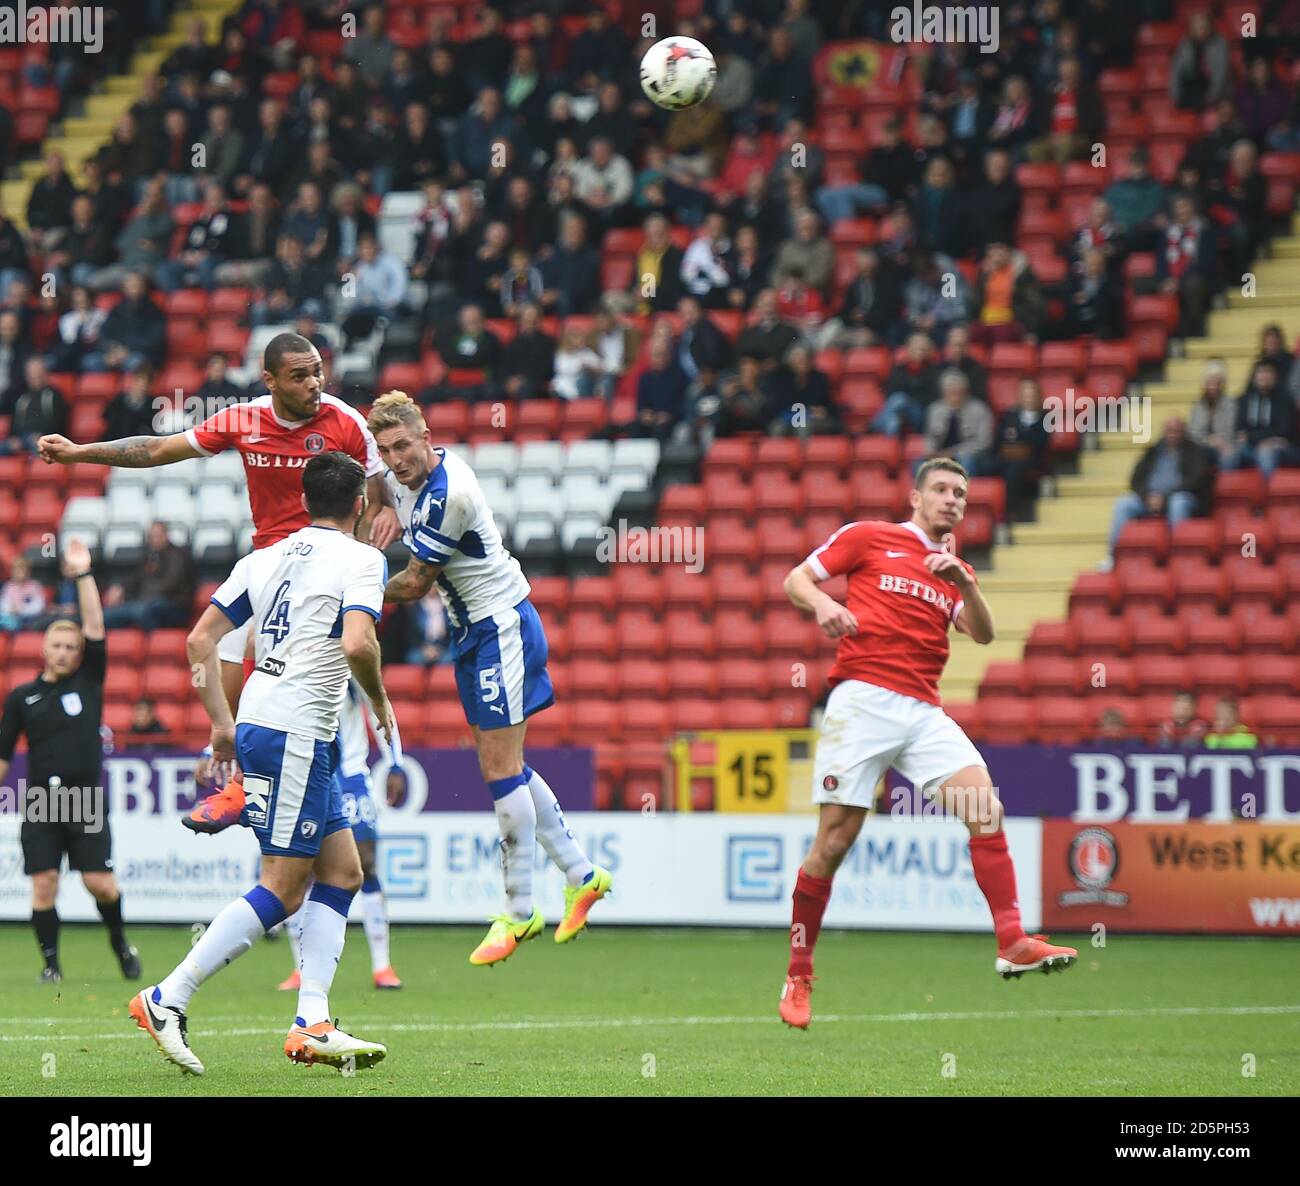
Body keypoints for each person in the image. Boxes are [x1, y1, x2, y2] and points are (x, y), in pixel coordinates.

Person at [778, 459, 1077, 1028]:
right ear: (915, 497)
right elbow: (797, 579)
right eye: (940, 490)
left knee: (984, 807)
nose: (951, 500)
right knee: (834, 843)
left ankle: (1011, 941)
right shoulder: (871, 537)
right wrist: (825, 605)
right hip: (863, 700)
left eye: (960, 494)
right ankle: (798, 974)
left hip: (922, 710)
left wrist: (966, 582)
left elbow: (984, 634)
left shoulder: (953, 567)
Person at [130, 452, 394, 1076]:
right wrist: (380, 700)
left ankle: (312, 1020)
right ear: (360, 503)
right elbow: (359, 642)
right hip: (297, 728)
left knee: (344, 870)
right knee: (283, 883)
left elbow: (200, 640)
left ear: (304, 501)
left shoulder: (265, 557)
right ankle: (167, 997)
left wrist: (222, 723)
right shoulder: (363, 559)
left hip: (271, 720)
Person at [38, 333, 400, 753]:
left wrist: (372, 527)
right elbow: (156, 449)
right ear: (270, 380)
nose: (314, 383)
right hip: (268, 557)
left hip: (324, 559)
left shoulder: (344, 421)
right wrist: (80, 452)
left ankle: (259, 751)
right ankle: (227, 749)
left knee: (256, 644)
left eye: (318, 372)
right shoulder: (243, 420)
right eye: (299, 376)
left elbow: (374, 489)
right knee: (213, 642)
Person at [366, 391, 612, 965]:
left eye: (404, 445)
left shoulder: (449, 494)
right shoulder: (399, 474)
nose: (396, 458)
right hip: (477, 633)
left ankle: (519, 909)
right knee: (510, 768)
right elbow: (378, 481)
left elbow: (414, 582)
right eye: (386, 450)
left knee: (498, 770)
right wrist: (375, 495)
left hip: (498, 627)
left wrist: (352, 583)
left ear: (427, 436)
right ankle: (582, 874)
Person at [0, 539, 141, 984]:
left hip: (85, 800)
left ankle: (120, 944)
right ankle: (51, 966)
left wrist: (82, 575)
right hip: (42, 801)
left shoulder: (89, 682)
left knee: (99, 883)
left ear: (78, 652)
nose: (63, 651)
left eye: (70, 646)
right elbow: (4, 754)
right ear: (44, 648)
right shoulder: (22, 696)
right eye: (56, 644)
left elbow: (95, 624)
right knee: (44, 883)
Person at [277, 679, 403, 993]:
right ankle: (300, 968)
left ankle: (382, 965)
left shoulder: (350, 657)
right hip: (305, 772)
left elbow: (379, 705)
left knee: (366, 863)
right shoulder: (296, 658)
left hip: (350, 774)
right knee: (299, 869)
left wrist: (395, 763)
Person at [1105, 417, 1212, 564]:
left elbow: (1196, 479)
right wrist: (1147, 497)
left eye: (1176, 431)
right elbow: (1135, 479)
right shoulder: (1152, 451)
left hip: (1179, 496)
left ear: (1184, 432)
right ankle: (1113, 557)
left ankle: (1178, 557)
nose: (1172, 434)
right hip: (1149, 499)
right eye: (1168, 431)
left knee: (1178, 503)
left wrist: (1165, 497)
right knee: (1123, 503)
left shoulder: (1194, 451)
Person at [102, 520, 194, 630]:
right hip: (143, 603)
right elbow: (135, 578)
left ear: (166, 535)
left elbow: (171, 583)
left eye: (157, 536)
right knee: (107, 615)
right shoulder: (148, 555)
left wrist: (145, 598)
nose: (154, 540)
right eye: (151, 537)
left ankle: (156, 643)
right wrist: (120, 588)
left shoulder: (178, 555)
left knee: (144, 610)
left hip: (172, 605)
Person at [0, 555, 47, 629]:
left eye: (23, 570)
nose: (20, 573)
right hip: (11, 618)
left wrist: (22, 609)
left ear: (28, 572)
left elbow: (39, 606)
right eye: (17, 570)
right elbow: (3, 605)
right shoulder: (8, 587)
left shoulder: (34, 586)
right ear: (12, 572)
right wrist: (10, 609)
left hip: (29, 618)